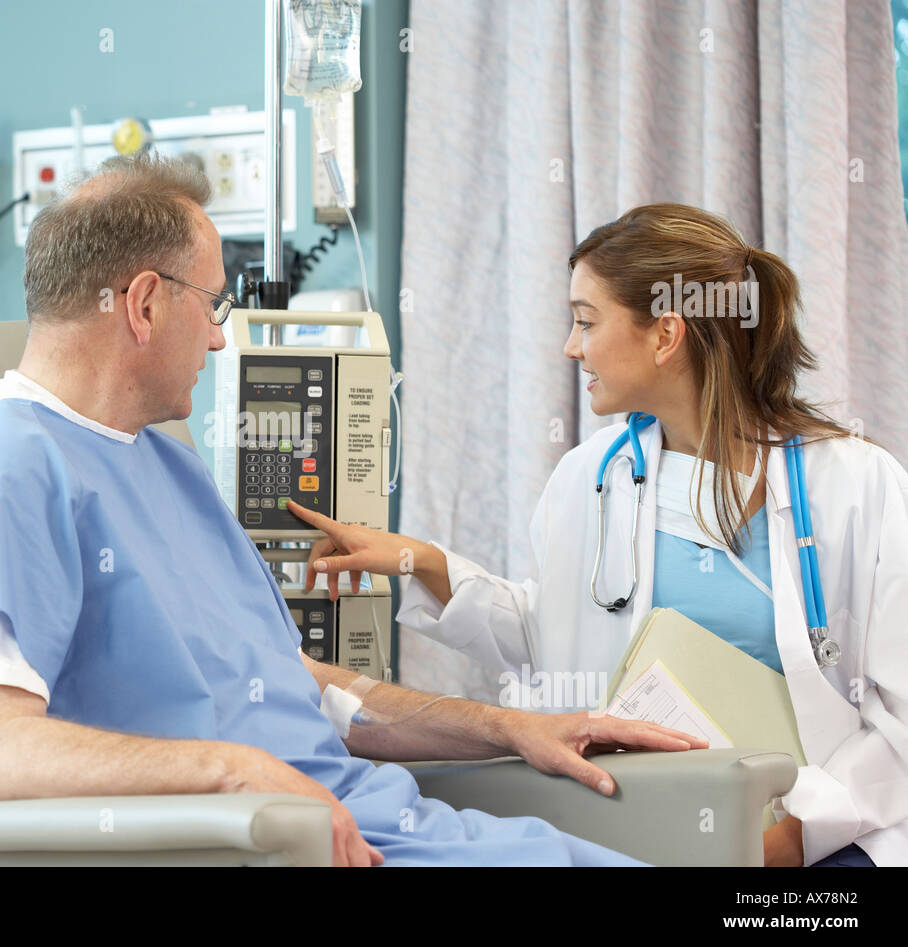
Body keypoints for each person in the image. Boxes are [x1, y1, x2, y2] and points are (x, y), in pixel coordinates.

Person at [0, 155, 705, 867]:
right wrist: (243, 773)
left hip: (382, 825)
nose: (219, 340)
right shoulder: (3, 464)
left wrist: (508, 727)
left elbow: (300, 690)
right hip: (255, 846)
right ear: (142, 305)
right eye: (211, 304)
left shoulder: (164, 462)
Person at [289, 203, 908, 867]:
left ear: (665, 335)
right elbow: (551, 641)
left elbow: (899, 717)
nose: (570, 346)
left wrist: (789, 840)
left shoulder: (851, 483)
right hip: (654, 824)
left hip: (829, 833)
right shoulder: (590, 476)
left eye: (587, 321)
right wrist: (423, 564)